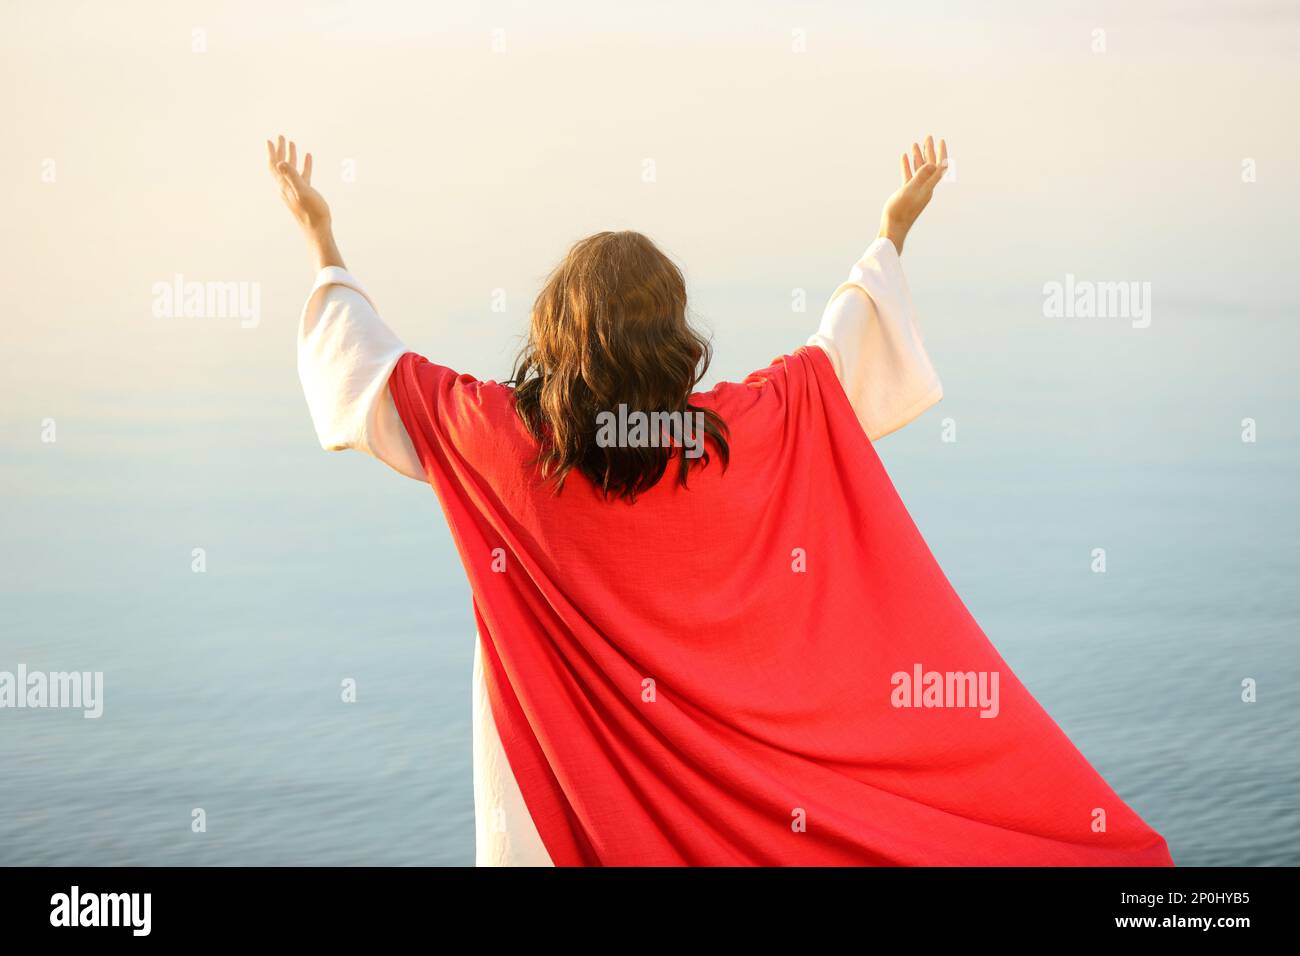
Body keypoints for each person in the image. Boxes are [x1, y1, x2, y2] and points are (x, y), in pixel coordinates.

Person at [268, 134, 1173, 867]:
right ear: (674, 331)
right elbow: (838, 355)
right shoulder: (735, 431)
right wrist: (892, 231)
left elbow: (366, 364)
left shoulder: (493, 436)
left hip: (547, 789)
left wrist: (321, 239)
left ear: (553, 327)